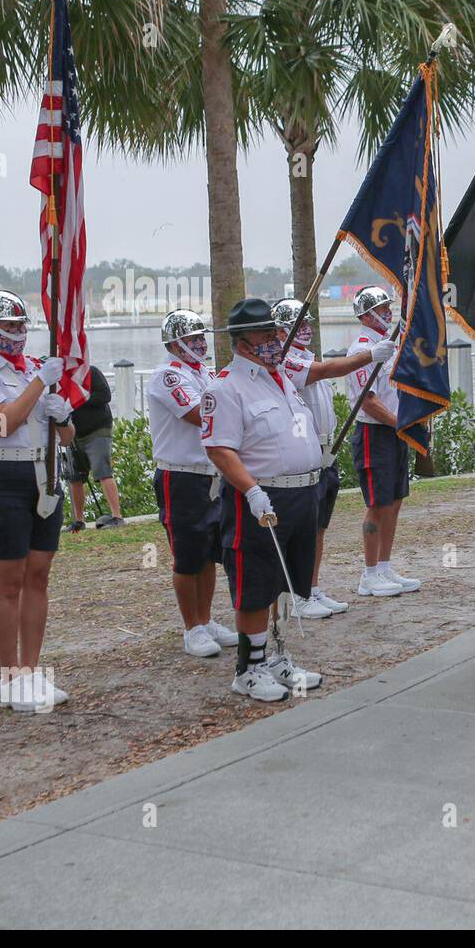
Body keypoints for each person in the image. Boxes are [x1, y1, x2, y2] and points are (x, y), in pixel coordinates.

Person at [0, 290, 75, 711]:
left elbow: (67, 438)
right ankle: (10, 677)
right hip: (3, 477)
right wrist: (41, 384)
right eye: (8, 326)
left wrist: (63, 416)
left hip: (45, 474)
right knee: (9, 584)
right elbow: (2, 424)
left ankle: (31, 670)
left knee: (39, 577)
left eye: (21, 325)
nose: (18, 333)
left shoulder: (36, 370)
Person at [201, 298, 325, 702]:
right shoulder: (226, 387)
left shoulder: (281, 378)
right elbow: (219, 448)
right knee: (255, 581)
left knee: (287, 580)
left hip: (301, 493)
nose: (275, 340)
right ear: (243, 342)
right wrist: (252, 491)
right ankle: (249, 668)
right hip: (260, 498)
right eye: (266, 334)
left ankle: (278, 654)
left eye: (276, 332)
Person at [271, 297, 383, 618]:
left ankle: (311, 587)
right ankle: (295, 595)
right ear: (281, 331)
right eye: (298, 325)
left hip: (325, 452)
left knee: (318, 527)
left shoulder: (307, 356)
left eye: (307, 323)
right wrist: (369, 356)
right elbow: (326, 371)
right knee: (301, 529)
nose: (305, 329)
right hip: (304, 454)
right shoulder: (286, 360)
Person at [148, 308, 240, 659]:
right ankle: (192, 627)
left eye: (202, 337)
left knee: (208, 552)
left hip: (210, 474)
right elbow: (198, 415)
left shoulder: (204, 373)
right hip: (181, 475)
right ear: (175, 343)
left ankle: (206, 619)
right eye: (192, 338)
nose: (200, 344)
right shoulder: (168, 376)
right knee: (187, 554)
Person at [346, 286, 421, 597]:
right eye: (381, 308)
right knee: (377, 504)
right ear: (366, 316)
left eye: (388, 307)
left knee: (395, 501)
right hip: (374, 433)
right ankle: (369, 573)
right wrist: (400, 424)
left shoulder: (390, 345)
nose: (388, 312)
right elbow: (369, 401)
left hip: (394, 431)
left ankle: (384, 566)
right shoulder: (362, 350)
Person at [64, 363, 123, 531]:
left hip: (98, 429)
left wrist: (79, 398)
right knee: (74, 476)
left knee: (102, 470)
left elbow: (105, 395)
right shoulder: (60, 378)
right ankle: (79, 520)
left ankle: (117, 516)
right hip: (73, 432)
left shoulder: (91, 372)